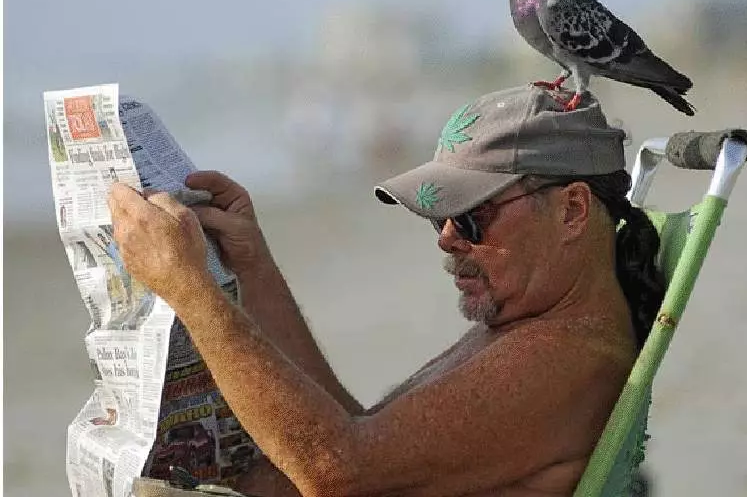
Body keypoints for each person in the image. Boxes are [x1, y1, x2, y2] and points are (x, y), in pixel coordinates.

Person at [108, 86, 665, 497]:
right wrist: (251, 266)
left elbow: (336, 470)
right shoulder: (533, 327)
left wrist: (191, 290)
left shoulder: (562, 355)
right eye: (439, 217)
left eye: (473, 217)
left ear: (571, 210)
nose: (448, 239)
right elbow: (356, 434)